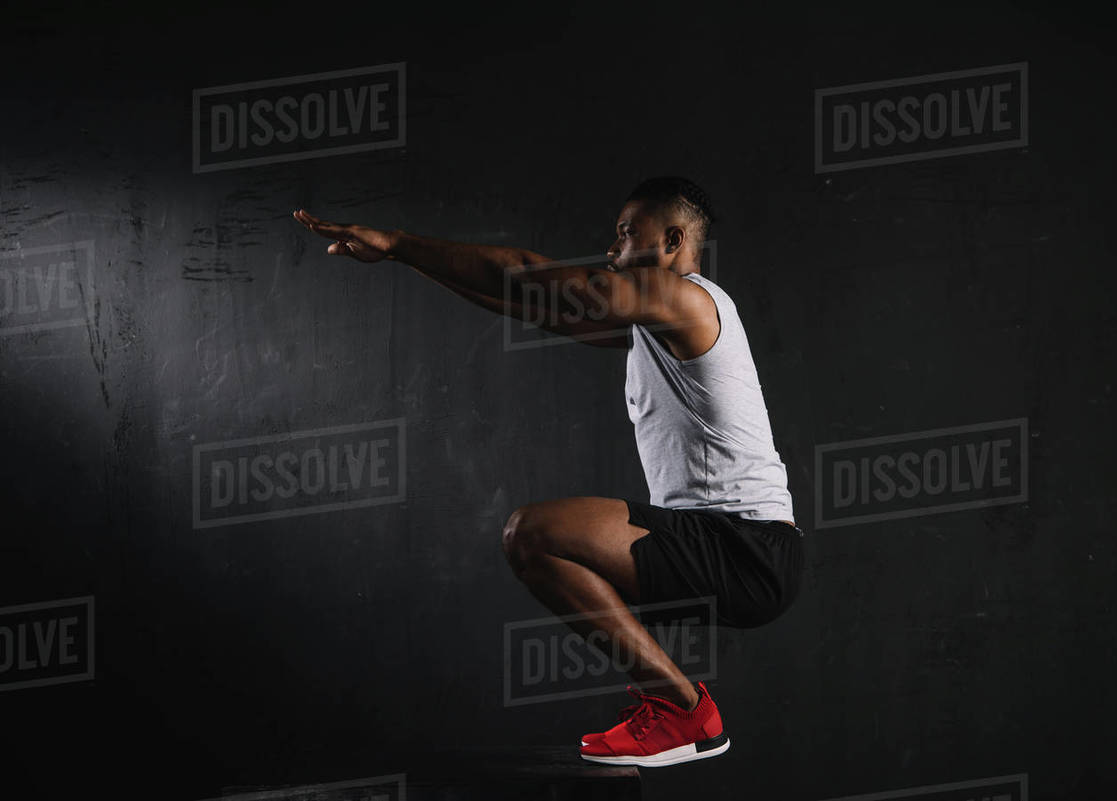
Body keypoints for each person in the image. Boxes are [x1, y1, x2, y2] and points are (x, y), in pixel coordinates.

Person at [293, 175, 803, 767]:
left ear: (671, 240)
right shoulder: (653, 323)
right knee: (533, 540)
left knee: (533, 533)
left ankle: (682, 710)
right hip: (717, 544)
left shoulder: (687, 298)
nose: (611, 249)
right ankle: (676, 708)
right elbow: (524, 297)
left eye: (625, 233)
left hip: (747, 549)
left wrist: (400, 240)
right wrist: (401, 260)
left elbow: (530, 270)